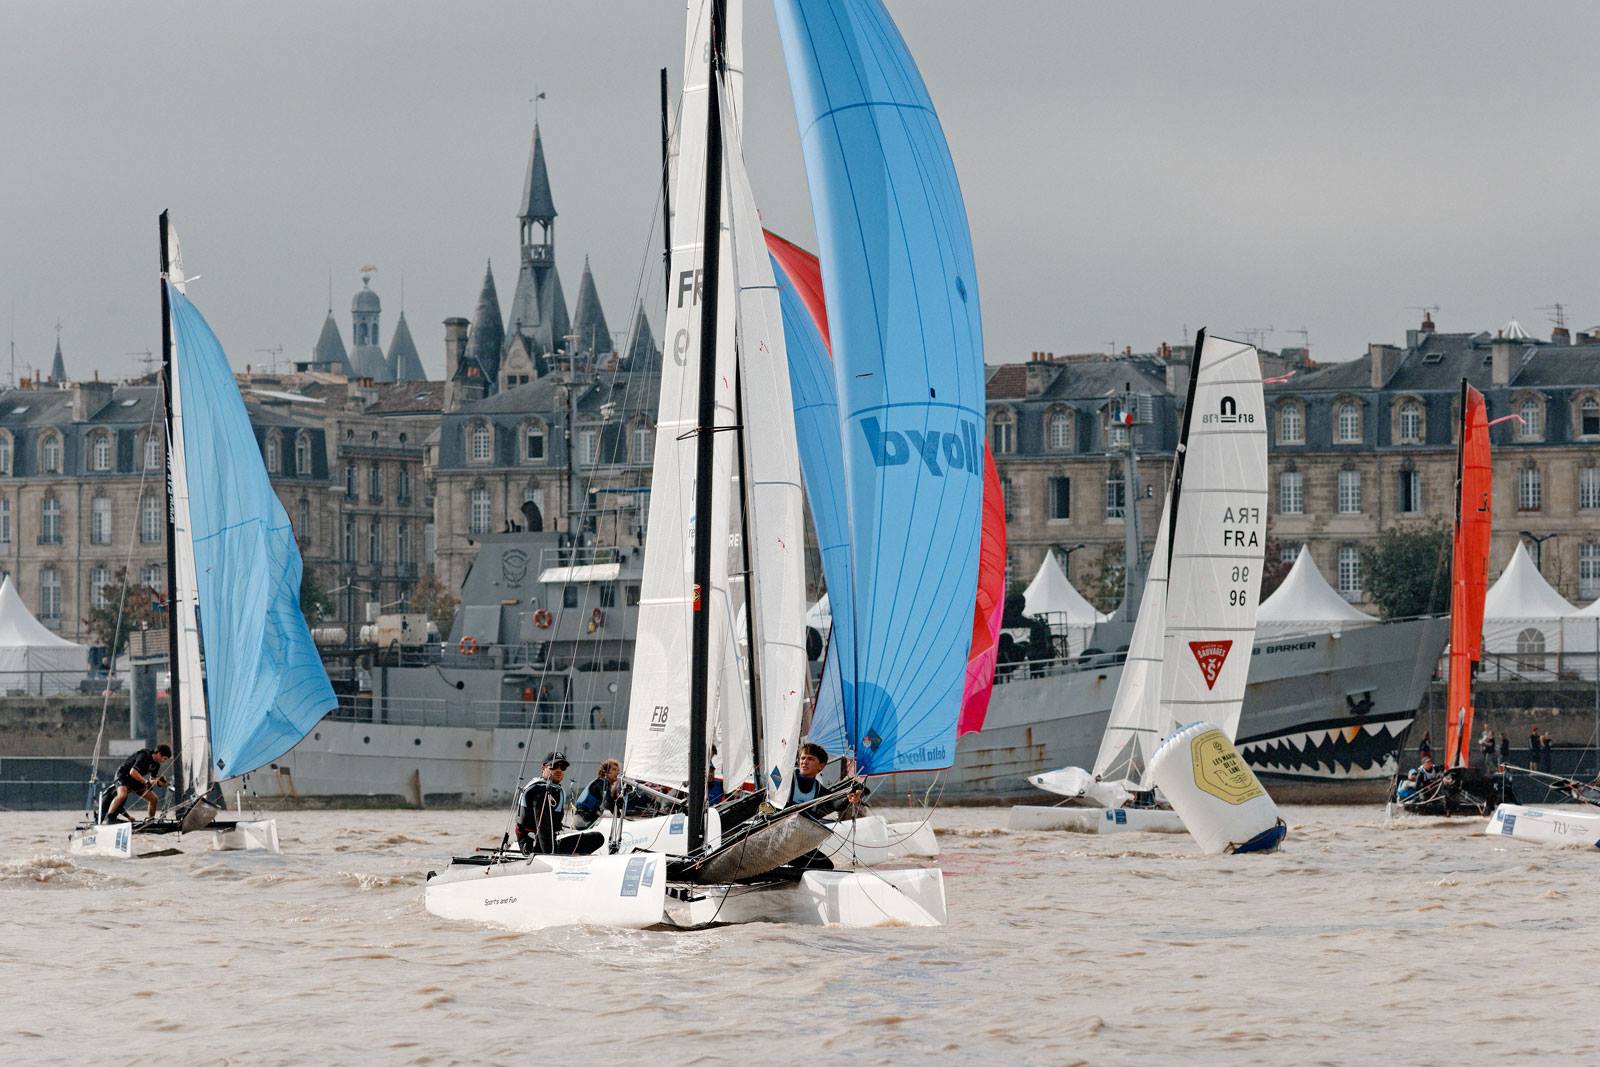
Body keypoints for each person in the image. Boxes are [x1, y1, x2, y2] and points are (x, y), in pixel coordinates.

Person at [515, 752, 569, 854]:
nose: (559, 770)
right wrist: (550, 855)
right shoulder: (540, 791)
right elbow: (542, 828)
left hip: (551, 840)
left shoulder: (555, 789)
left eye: (563, 767)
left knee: (596, 838)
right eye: (554, 766)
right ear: (543, 768)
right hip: (534, 844)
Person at [788, 742, 863, 817]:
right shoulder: (787, 779)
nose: (804, 762)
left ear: (821, 766)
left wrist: (849, 798)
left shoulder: (819, 790)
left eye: (810, 759)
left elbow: (835, 804)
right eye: (803, 758)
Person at [102, 744, 172, 823]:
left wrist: (159, 782)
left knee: (154, 799)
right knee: (122, 795)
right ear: (159, 753)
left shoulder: (156, 765)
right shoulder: (144, 755)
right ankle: (109, 818)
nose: (164, 761)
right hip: (123, 775)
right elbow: (132, 772)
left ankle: (151, 821)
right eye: (164, 758)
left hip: (135, 779)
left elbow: (152, 779)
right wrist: (145, 781)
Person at [573, 758, 620, 830]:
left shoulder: (600, 782)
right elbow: (608, 802)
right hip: (584, 821)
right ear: (605, 772)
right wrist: (619, 815)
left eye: (618, 770)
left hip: (581, 819)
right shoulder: (601, 783)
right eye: (614, 769)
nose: (617, 772)